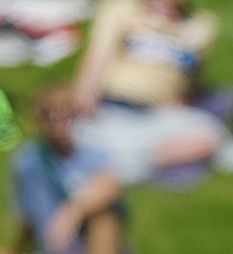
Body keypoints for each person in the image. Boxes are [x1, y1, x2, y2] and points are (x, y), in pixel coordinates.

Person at [10, 84, 134, 254]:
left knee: (104, 218)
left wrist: (72, 211)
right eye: (49, 114)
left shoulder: (92, 154)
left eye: (64, 113)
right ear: (38, 119)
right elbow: (28, 223)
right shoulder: (28, 161)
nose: (57, 122)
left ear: (74, 115)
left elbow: (110, 185)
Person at [71, 0, 225, 185]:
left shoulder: (201, 26)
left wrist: (180, 103)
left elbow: (192, 79)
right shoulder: (122, 10)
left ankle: (129, 165)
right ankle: (123, 164)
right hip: (114, 106)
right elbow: (98, 57)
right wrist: (84, 96)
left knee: (211, 136)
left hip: (158, 115)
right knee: (89, 135)